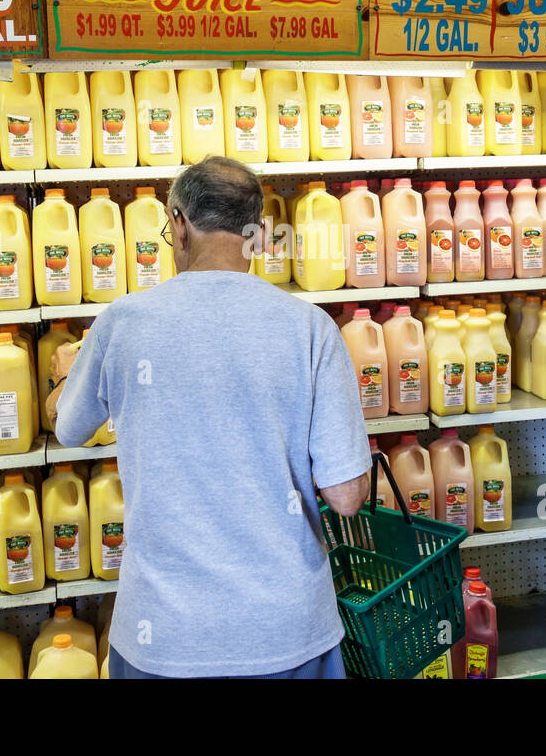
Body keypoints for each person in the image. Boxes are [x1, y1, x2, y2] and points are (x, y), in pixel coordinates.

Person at [51, 155, 371, 678]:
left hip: (163, 636)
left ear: (178, 223)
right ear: (261, 232)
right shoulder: (310, 329)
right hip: (285, 633)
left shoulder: (122, 324)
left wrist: (67, 373)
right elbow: (347, 496)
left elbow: (68, 429)